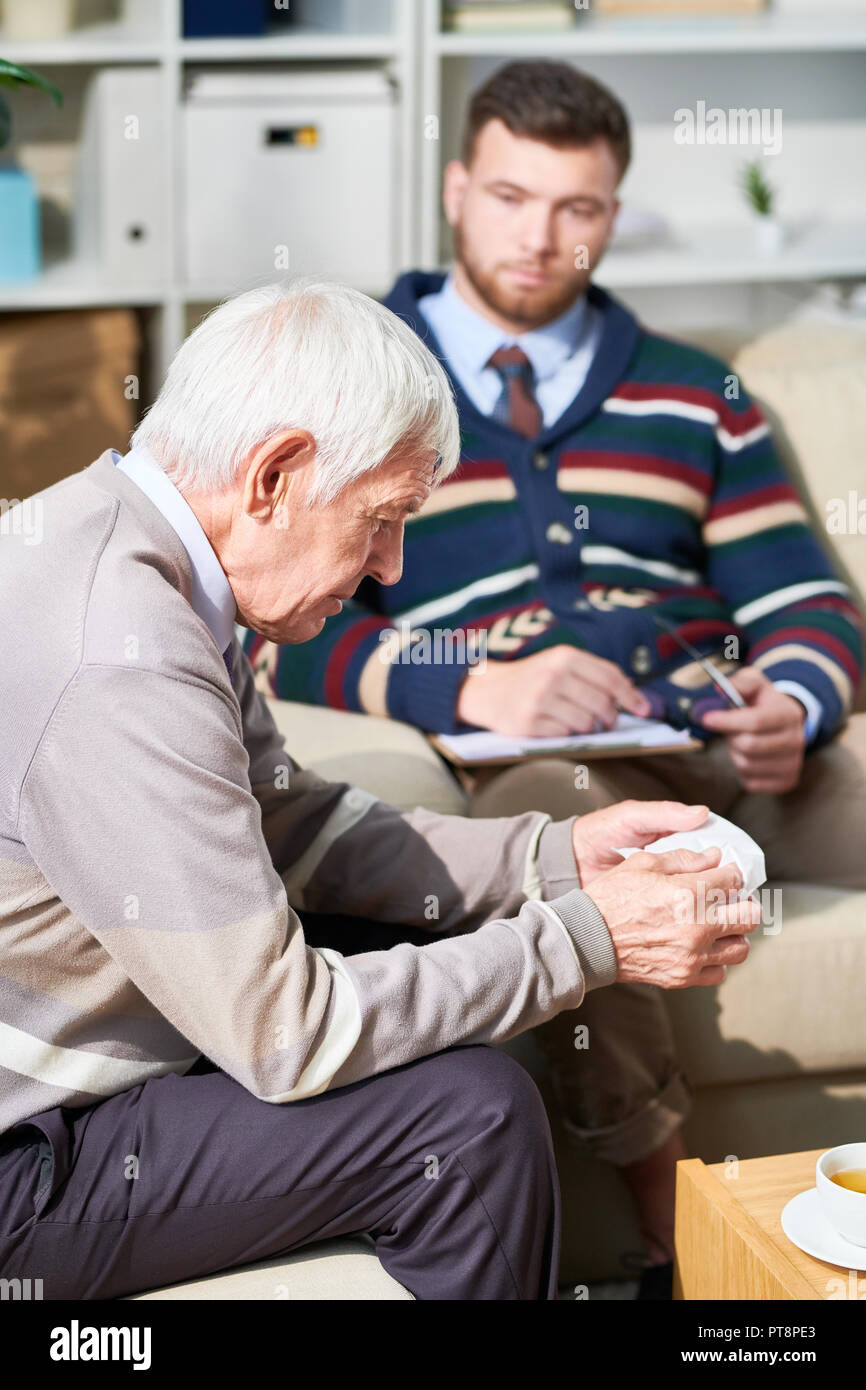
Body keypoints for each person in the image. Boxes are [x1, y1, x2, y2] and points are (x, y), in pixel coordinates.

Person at [0, 279, 760, 1302]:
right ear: (274, 474)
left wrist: (552, 858)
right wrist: (593, 939)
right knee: (469, 1116)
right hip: (23, 1165)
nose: (385, 566)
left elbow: (290, 818)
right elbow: (284, 1032)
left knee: (457, 974)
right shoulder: (121, 657)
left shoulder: (141, 551)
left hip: (94, 1065)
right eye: (382, 520)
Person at [243, 63, 866, 1296]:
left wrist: (789, 703)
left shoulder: (696, 394)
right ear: (456, 190)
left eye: (575, 208)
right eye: (511, 198)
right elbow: (279, 613)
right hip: (536, 757)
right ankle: (673, 1240)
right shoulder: (356, 375)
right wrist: (462, 688)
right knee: (579, 838)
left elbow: (802, 600)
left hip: (720, 745)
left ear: (612, 211)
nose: (538, 238)